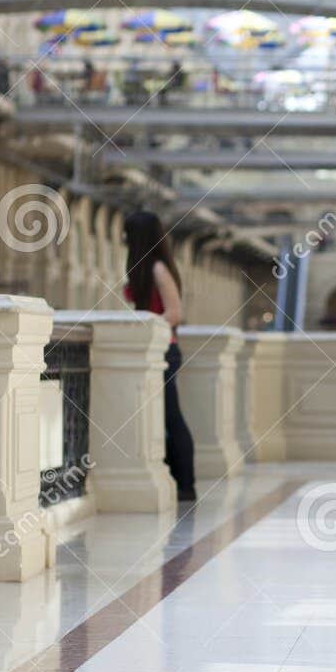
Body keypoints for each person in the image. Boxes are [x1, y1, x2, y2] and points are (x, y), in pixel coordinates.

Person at [123, 210, 196, 503]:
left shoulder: (157, 269)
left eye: (128, 233)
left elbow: (176, 312)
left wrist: (149, 330)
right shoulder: (145, 267)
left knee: (171, 417)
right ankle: (177, 480)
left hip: (165, 351)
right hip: (155, 352)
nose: (124, 238)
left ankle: (186, 484)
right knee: (162, 417)